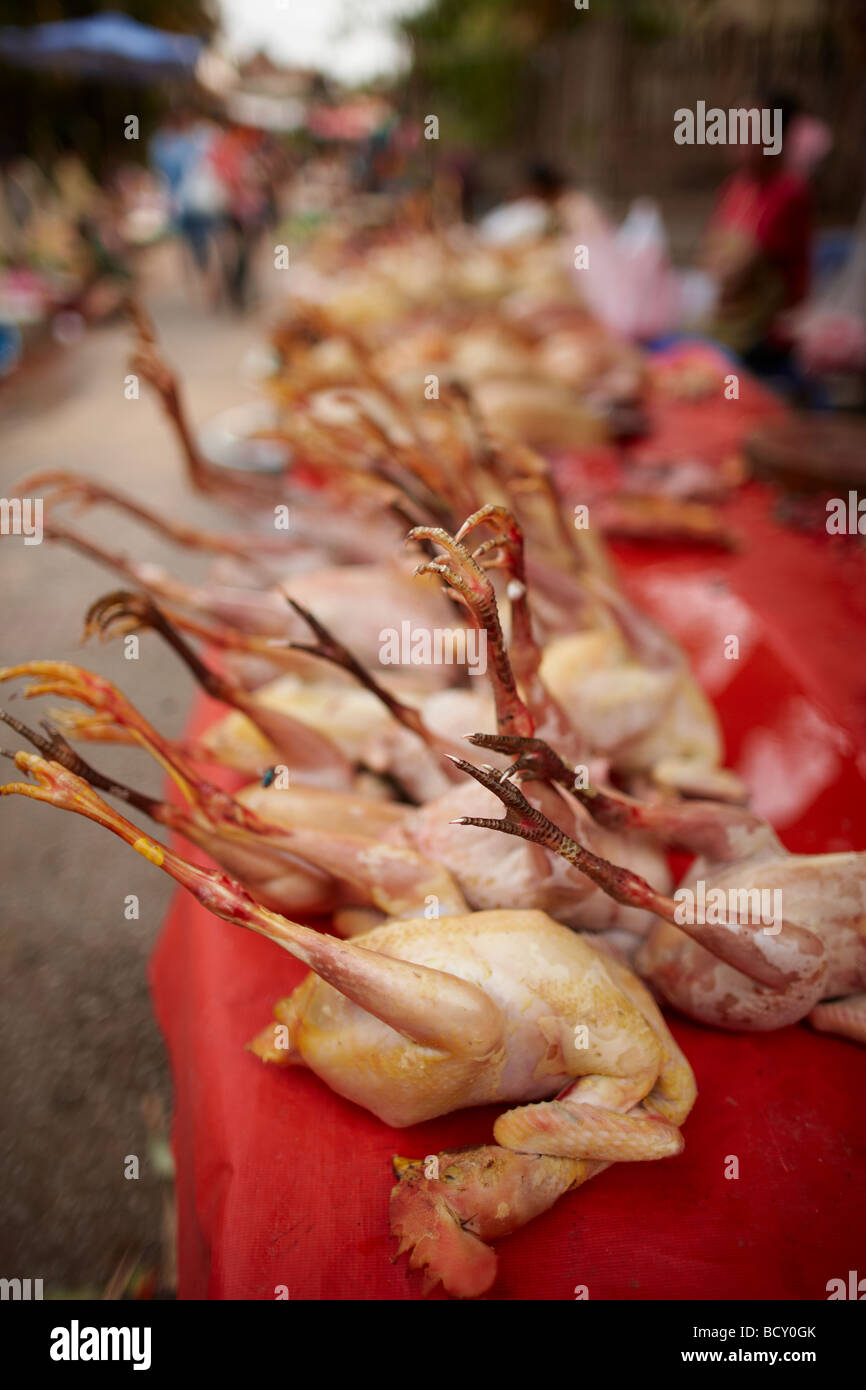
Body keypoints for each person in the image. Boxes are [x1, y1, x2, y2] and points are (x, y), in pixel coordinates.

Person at [702, 92, 812, 372]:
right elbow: (709, 260)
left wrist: (725, 269)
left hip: (767, 335)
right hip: (731, 320)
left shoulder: (788, 193)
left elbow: (736, 271)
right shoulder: (735, 187)